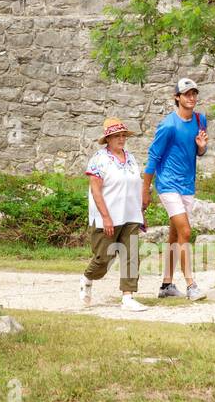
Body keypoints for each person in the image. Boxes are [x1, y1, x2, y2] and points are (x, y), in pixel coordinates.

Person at [142, 78, 208, 300]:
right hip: (167, 183)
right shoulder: (168, 125)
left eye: (194, 93)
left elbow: (199, 152)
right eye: (187, 94)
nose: (191, 97)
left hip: (187, 184)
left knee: (176, 234)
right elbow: (153, 157)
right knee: (186, 232)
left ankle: (166, 286)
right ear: (177, 98)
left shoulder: (200, 120)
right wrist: (145, 189)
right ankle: (191, 285)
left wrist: (201, 148)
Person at [80, 118, 149, 312]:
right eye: (116, 136)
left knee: (132, 255)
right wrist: (106, 217)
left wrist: (141, 212)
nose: (121, 139)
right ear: (108, 139)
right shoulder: (98, 160)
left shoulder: (131, 158)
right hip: (107, 216)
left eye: (123, 135)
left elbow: (136, 185)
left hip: (131, 215)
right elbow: (96, 191)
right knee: (104, 258)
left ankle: (128, 297)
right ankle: (87, 277)